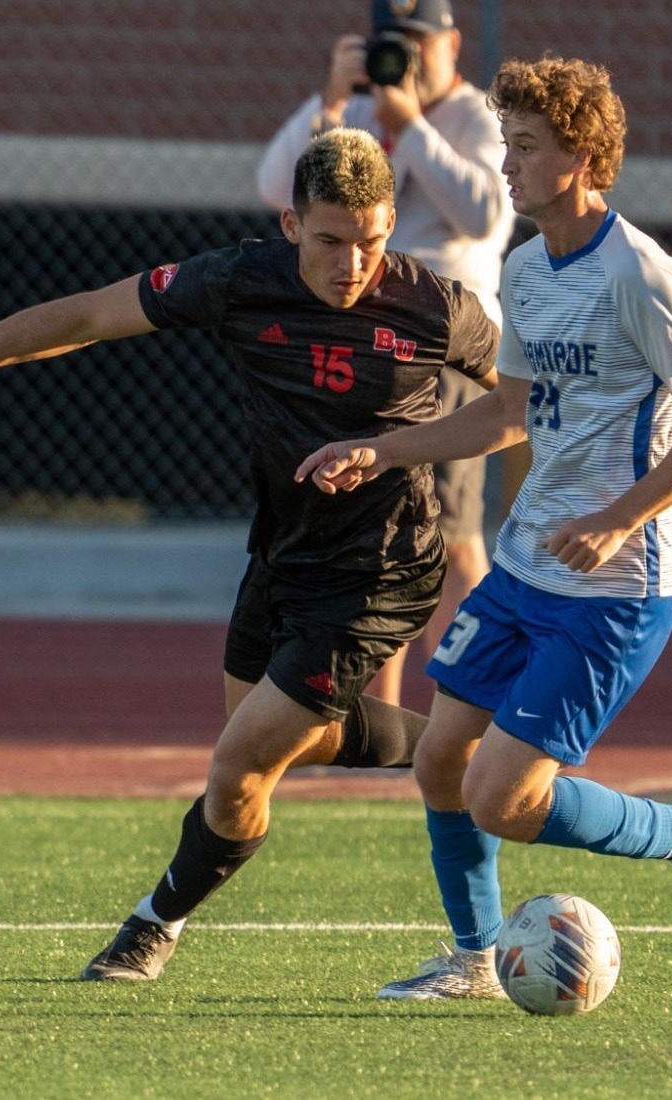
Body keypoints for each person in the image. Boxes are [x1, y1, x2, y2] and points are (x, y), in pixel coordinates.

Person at [0, 128, 500, 982]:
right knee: (279, 742)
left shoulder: (439, 307)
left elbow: (532, 402)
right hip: (283, 553)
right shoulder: (239, 280)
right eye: (330, 240)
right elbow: (93, 313)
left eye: (371, 240)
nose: (353, 263)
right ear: (290, 225)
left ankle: (151, 926)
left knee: (240, 765)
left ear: (392, 223)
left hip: (383, 570)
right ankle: (457, 748)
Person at [297, 56, 672, 1001]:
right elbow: (508, 414)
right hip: (525, 564)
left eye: (526, 146)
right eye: (506, 142)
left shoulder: (640, 272)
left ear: (582, 158)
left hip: (618, 585)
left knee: (502, 799)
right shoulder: (523, 265)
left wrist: (618, 516)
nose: (507, 163)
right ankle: (472, 961)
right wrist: (381, 450)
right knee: (438, 761)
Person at [257, 0, 513, 707]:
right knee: (380, 541)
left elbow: (488, 215)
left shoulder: (472, 118)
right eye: (389, 48)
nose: (402, 62)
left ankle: (476, 706)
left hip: (445, 348)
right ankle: (380, 720)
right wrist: (333, 99)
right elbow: (278, 188)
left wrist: (413, 129)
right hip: (367, 346)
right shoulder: (359, 115)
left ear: (452, 45)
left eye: (418, 46)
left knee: (453, 535)